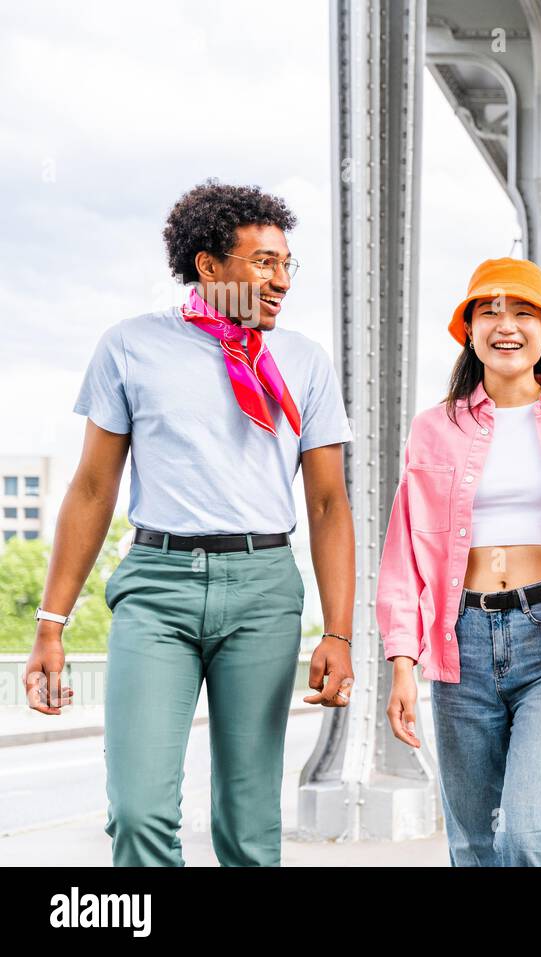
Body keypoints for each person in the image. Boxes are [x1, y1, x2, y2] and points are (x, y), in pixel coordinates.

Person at [24, 179, 357, 866]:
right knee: (138, 813)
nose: (282, 279)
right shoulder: (130, 346)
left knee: (248, 826)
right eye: (264, 261)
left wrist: (339, 631)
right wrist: (51, 625)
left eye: (287, 264)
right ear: (209, 266)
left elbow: (327, 504)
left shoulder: (304, 362)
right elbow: (91, 488)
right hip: (156, 588)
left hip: (265, 589)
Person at [376, 257, 541, 866]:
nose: (506, 324)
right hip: (461, 641)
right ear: (468, 330)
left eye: (523, 311)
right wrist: (401, 658)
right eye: (489, 310)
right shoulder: (432, 429)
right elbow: (404, 550)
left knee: (532, 834)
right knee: (474, 843)